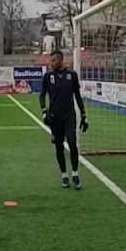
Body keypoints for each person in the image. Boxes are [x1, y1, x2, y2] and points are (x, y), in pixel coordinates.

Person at [40, 50, 89, 189]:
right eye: (50, 61)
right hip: (55, 117)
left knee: (73, 143)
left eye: (54, 60)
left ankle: (75, 174)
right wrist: (44, 111)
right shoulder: (48, 76)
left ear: (61, 60)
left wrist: (84, 115)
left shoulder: (72, 75)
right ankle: (64, 175)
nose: (51, 63)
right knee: (59, 146)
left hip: (69, 116)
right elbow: (42, 95)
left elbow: (77, 96)